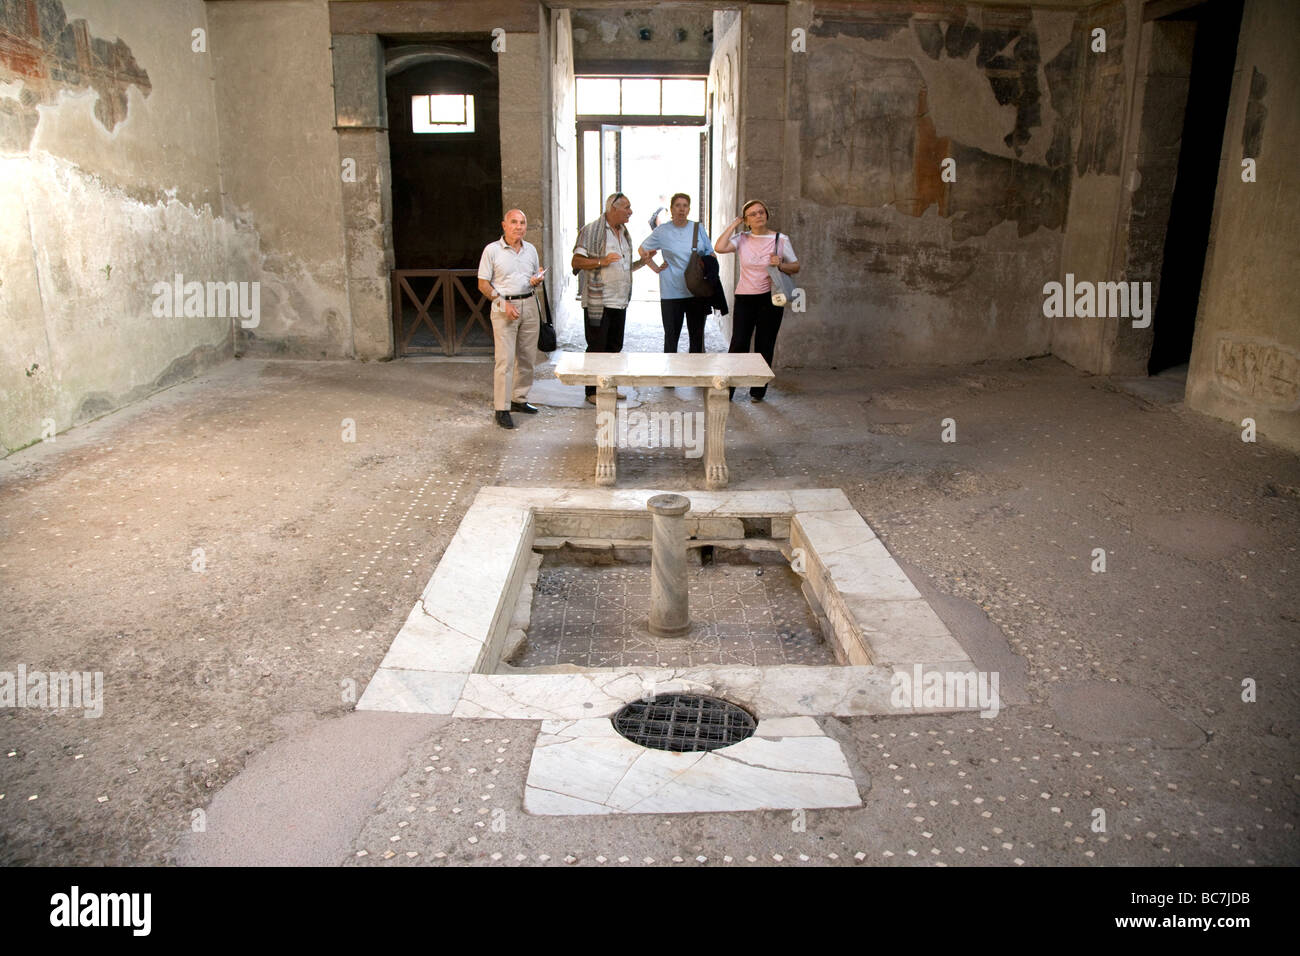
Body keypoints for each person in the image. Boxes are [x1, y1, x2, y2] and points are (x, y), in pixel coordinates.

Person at [714, 199, 800, 401]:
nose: (758, 215)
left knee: (765, 344)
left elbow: (795, 266)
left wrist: (780, 265)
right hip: (745, 297)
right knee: (739, 344)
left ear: (766, 215)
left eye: (761, 212)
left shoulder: (780, 239)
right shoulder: (741, 238)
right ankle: (730, 390)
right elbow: (719, 247)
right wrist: (734, 225)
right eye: (752, 214)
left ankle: (758, 390)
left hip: (770, 298)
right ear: (746, 220)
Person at [571, 192, 648, 404]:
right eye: (627, 207)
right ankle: (592, 392)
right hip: (599, 301)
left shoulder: (624, 233)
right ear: (613, 208)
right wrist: (601, 261)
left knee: (614, 347)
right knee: (597, 347)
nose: (630, 212)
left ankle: (609, 387)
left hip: (620, 300)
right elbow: (576, 261)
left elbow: (623, 267)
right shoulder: (591, 231)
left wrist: (641, 262)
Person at [477, 208, 546, 429]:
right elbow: (483, 284)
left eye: (522, 223)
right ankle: (502, 408)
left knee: (527, 356)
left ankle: (519, 399)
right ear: (504, 225)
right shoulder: (492, 251)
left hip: (529, 304)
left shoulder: (531, 250)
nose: (518, 227)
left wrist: (537, 280)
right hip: (503, 305)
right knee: (504, 360)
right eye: (514, 222)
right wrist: (502, 304)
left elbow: (534, 276)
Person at [639, 192, 715, 354]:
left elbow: (711, 254)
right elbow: (642, 249)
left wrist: (709, 270)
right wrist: (655, 267)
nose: (681, 209)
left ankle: (694, 375)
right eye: (677, 206)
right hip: (671, 291)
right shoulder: (662, 231)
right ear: (671, 209)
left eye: (685, 205)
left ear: (689, 209)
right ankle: (670, 375)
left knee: (697, 339)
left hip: (696, 291)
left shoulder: (697, 228)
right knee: (671, 339)